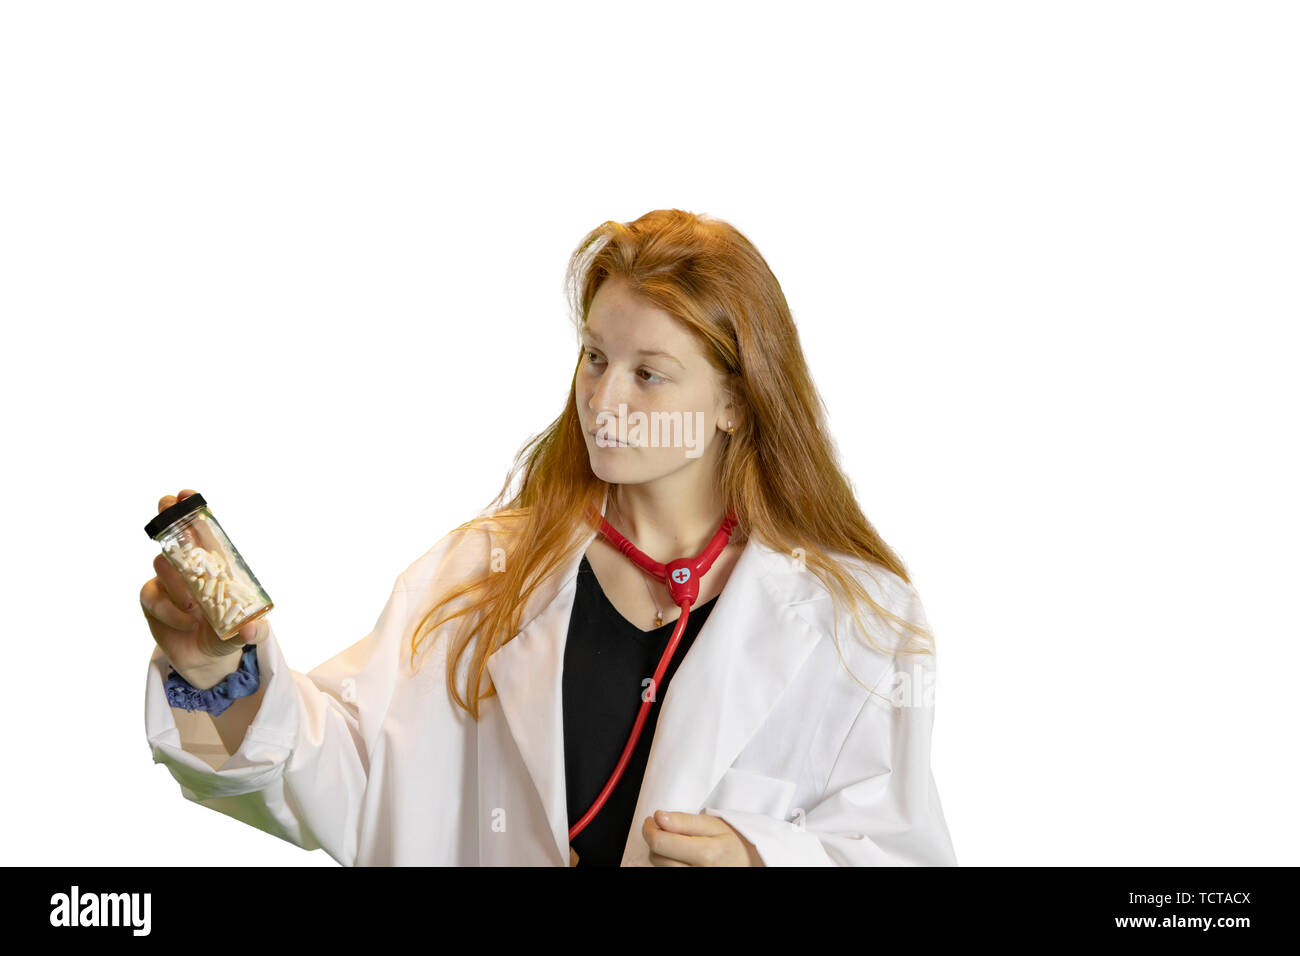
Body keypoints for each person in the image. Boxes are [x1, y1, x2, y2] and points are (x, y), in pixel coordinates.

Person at [140, 208, 958, 866]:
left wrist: (761, 860)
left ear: (735, 404)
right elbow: (339, 778)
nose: (603, 400)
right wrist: (220, 680)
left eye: (648, 373)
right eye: (595, 359)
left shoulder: (857, 622)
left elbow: (902, 851)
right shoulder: (482, 576)